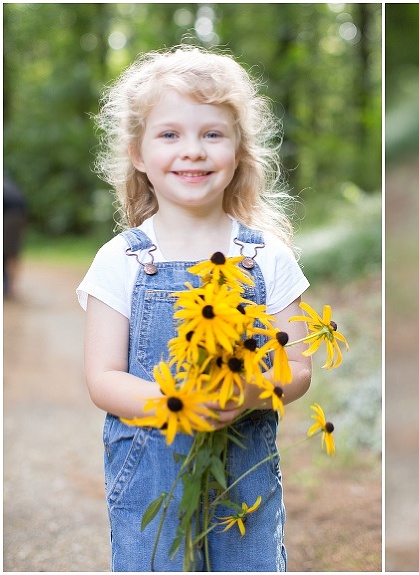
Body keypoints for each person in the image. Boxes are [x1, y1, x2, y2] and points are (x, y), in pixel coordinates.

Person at [77, 46, 311, 571]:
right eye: (170, 134)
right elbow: (103, 379)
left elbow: (297, 367)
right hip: (149, 469)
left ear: (238, 150)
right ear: (138, 153)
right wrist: (179, 403)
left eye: (212, 133)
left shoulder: (266, 256)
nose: (193, 151)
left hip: (242, 475)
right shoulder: (122, 260)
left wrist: (251, 391)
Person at [4, 172, 27, 299]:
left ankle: (10, 289)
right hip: (18, 215)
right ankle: (9, 287)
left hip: (10, 216)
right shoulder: (7, 180)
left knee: (9, 253)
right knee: (11, 253)